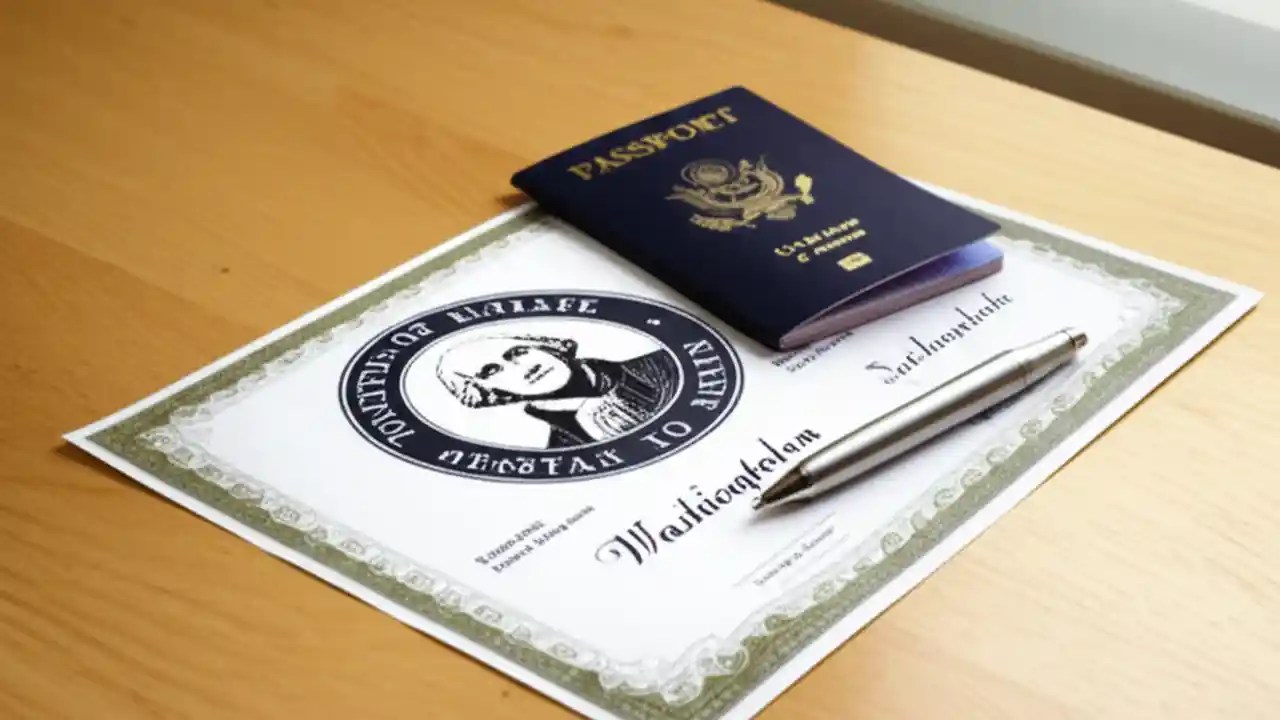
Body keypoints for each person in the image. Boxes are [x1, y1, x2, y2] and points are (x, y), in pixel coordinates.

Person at [435, 333, 679, 449]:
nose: (522, 366)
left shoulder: (666, 364)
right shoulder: (565, 453)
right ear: (488, 393)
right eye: (491, 371)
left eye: (518, 352)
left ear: (548, 348)